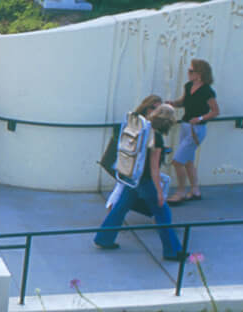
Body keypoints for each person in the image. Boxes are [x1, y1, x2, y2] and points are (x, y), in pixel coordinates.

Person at [94, 100, 182, 259]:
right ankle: (173, 252)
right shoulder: (157, 138)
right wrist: (160, 192)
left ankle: (104, 239)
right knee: (163, 215)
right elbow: (154, 169)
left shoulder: (142, 129)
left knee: (120, 208)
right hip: (146, 181)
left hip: (132, 177)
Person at [167, 58, 219, 204]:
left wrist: (201, 118)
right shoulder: (188, 86)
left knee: (178, 161)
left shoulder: (207, 91)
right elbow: (184, 101)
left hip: (196, 129)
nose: (188, 73)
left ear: (199, 73)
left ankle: (180, 192)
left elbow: (215, 111)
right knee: (188, 160)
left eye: (191, 71)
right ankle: (195, 190)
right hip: (185, 125)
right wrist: (173, 103)